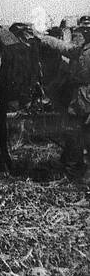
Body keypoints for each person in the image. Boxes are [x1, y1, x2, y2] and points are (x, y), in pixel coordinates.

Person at [29, 15, 90, 176]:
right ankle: (73, 166)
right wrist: (47, 39)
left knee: (77, 132)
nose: (82, 33)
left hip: (85, 97)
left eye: (85, 30)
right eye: (81, 30)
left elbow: (69, 51)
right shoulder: (84, 48)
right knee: (73, 131)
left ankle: (76, 172)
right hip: (80, 97)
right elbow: (67, 49)